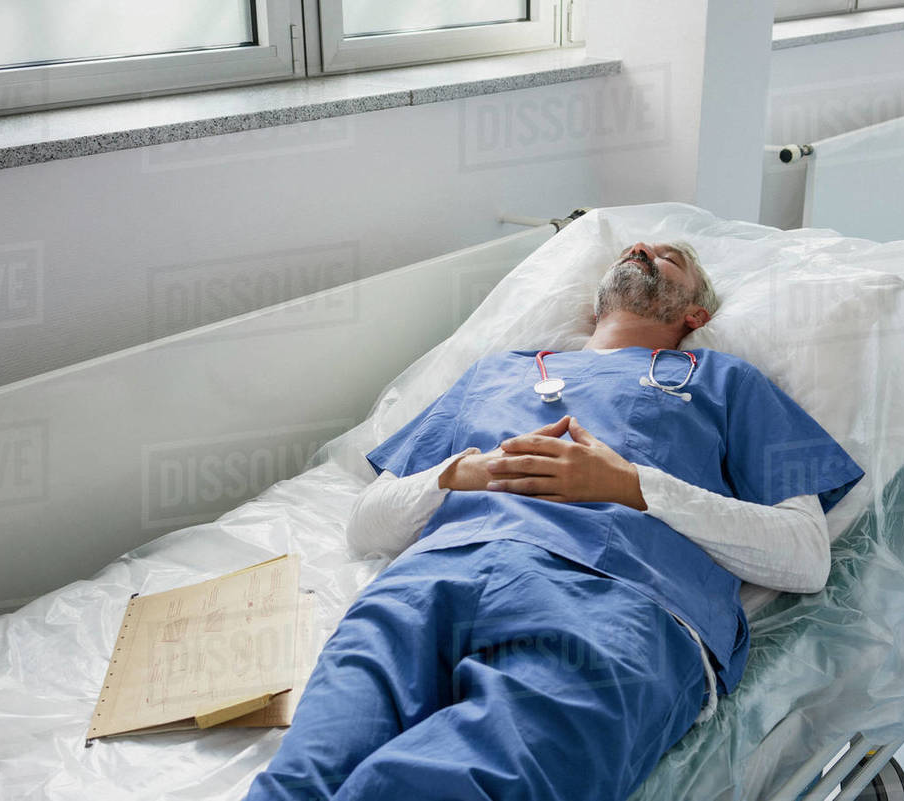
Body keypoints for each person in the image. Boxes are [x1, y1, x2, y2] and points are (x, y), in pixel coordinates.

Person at [245, 242, 863, 801]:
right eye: (636, 245)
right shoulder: (495, 372)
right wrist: (457, 474)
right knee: (302, 778)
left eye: (671, 258)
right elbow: (365, 526)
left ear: (695, 315)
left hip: (611, 602)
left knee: (459, 786)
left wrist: (632, 487)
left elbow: (804, 555)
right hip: (425, 586)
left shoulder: (726, 383)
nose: (644, 247)